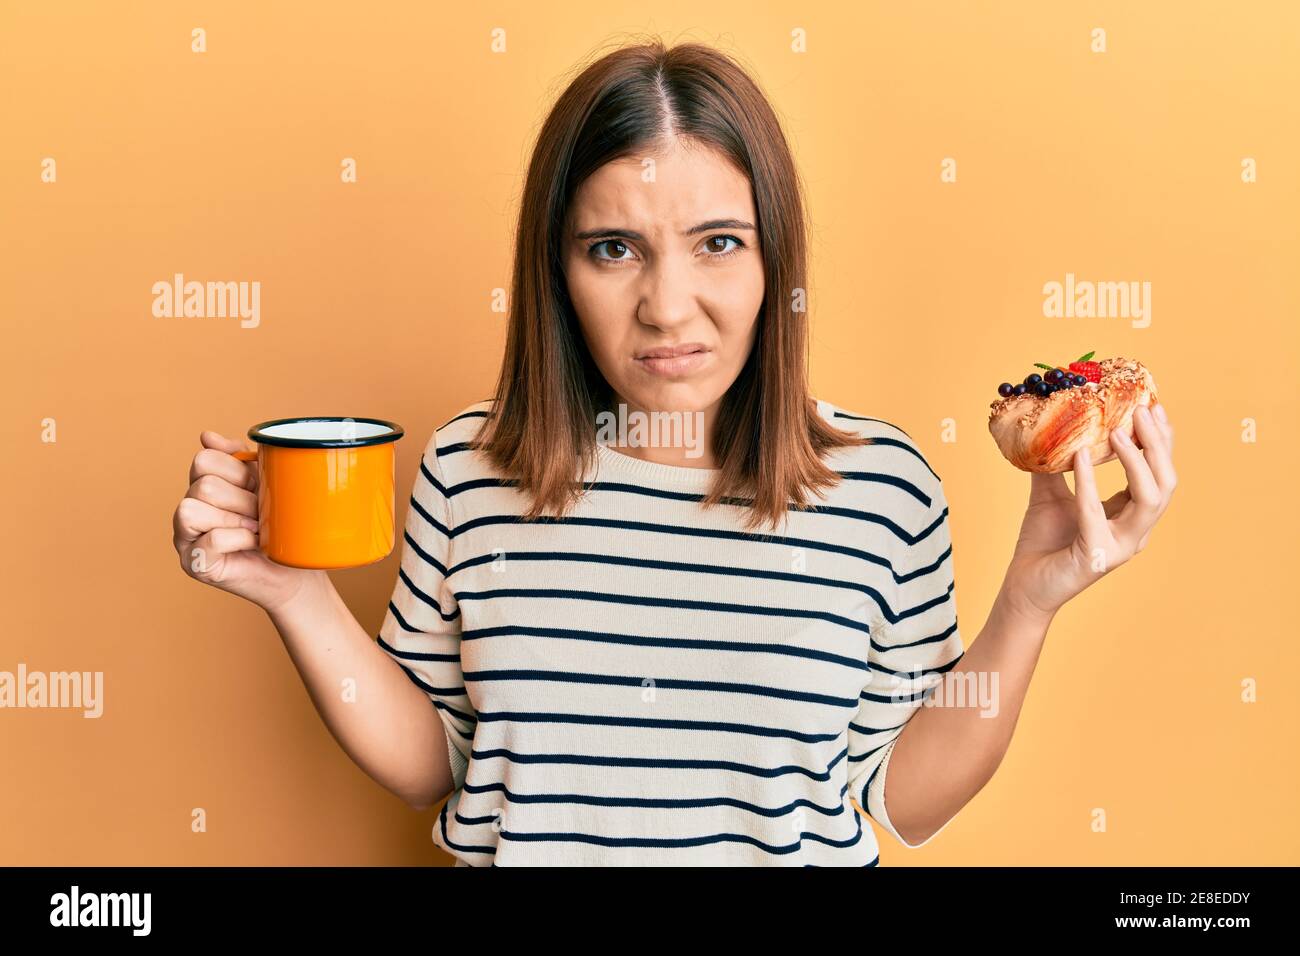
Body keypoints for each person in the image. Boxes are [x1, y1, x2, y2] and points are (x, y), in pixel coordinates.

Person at [172, 40, 1176, 866]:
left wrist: (1030, 600)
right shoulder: (467, 471)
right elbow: (436, 760)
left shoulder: (880, 485)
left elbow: (901, 795)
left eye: (717, 242)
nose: (665, 304)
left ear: (775, 256)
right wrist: (295, 593)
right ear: (554, 268)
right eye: (612, 248)